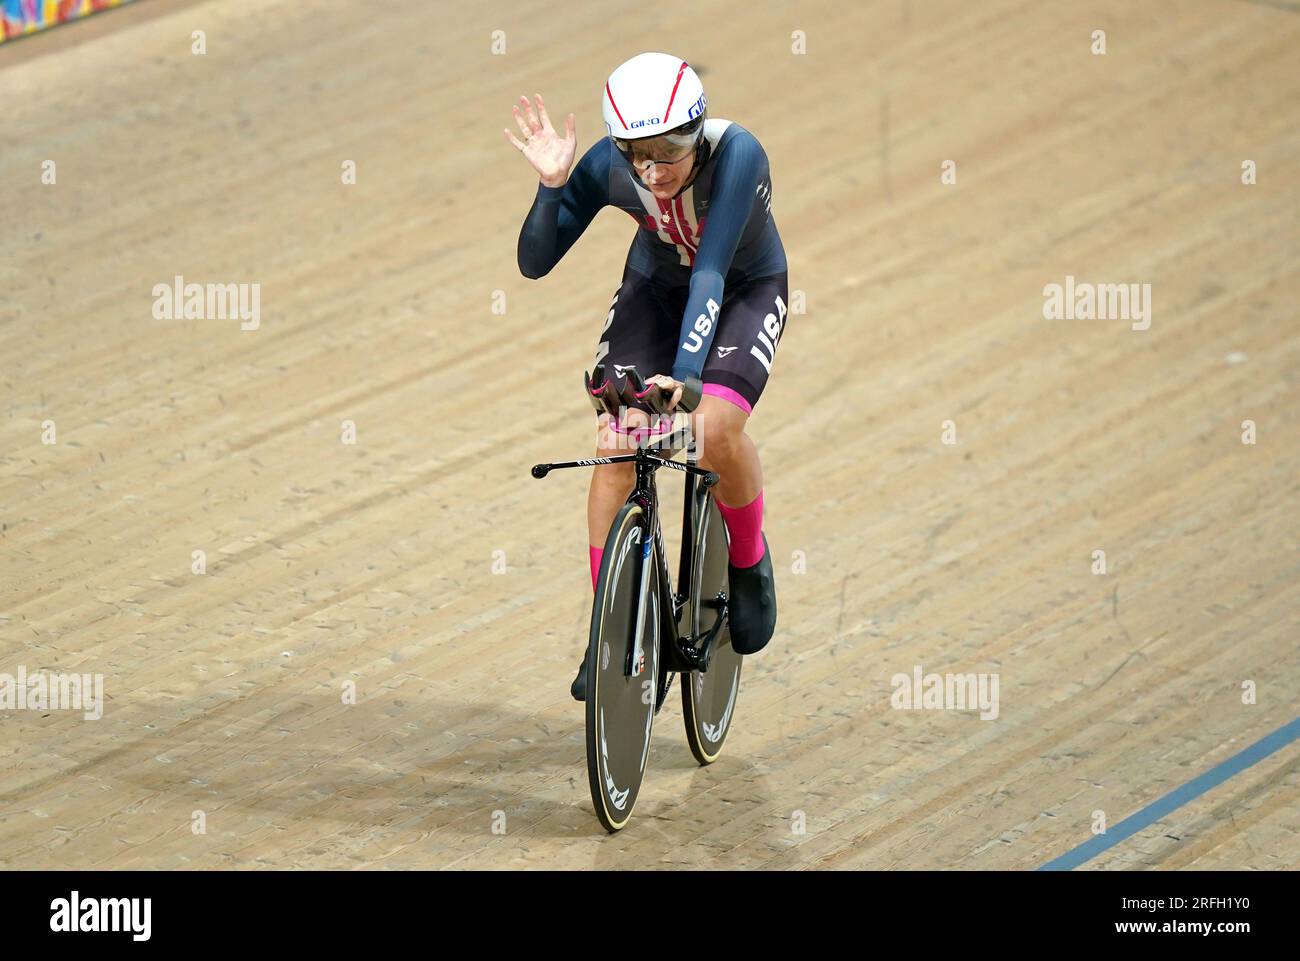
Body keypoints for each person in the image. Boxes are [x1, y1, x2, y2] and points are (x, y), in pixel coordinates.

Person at [504, 52, 788, 700]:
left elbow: (710, 270)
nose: (654, 171)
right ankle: (610, 633)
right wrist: (553, 186)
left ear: (697, 131)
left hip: (742, 289)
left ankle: (749, 561)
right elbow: (535, 262)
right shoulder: (611, 167)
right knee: (616, 442)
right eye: (638, 154)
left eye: (668, 152)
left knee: (711, 431)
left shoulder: (738, 155)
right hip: (656, 288)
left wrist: (685, 379)